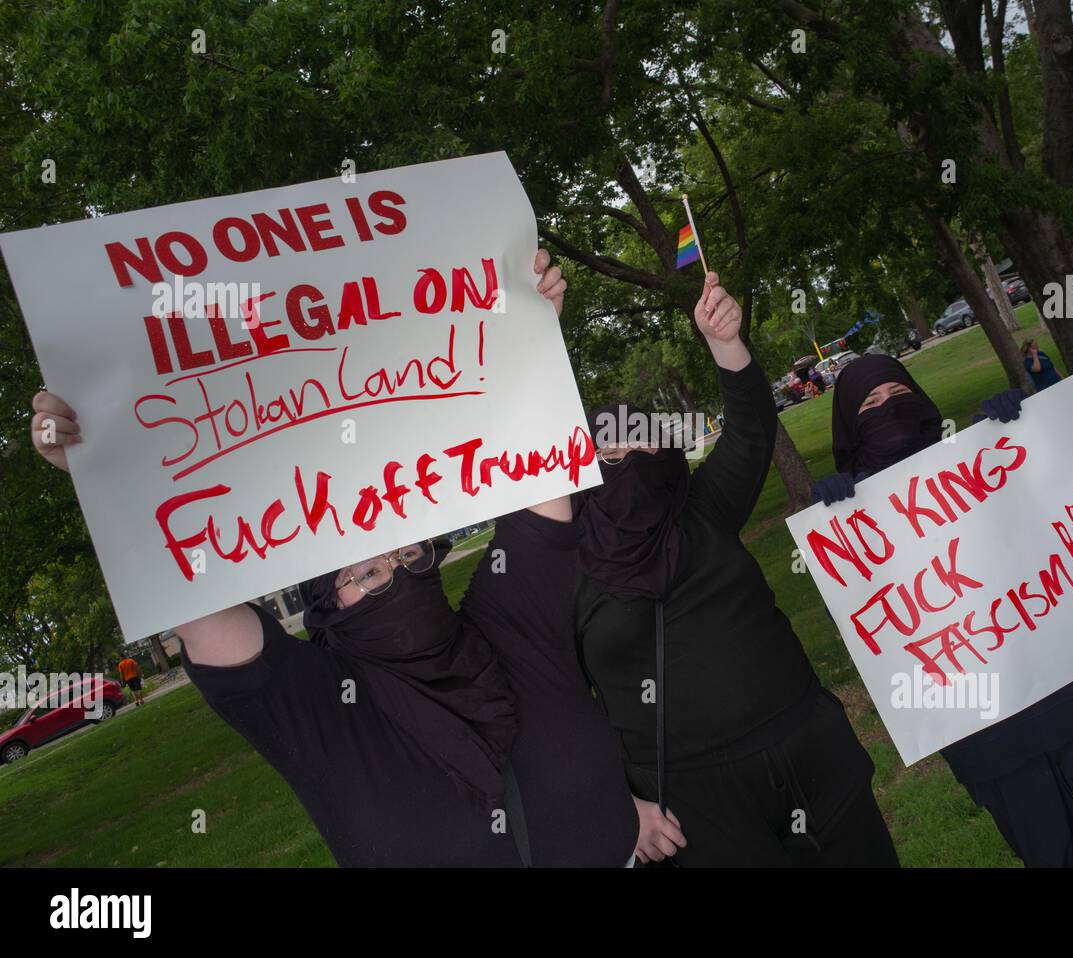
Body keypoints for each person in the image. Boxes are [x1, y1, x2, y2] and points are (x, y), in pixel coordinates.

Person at [28, 251, 661, 868]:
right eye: (364, 571)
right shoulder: (321, 705)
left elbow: (542, 482)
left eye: (403, 552)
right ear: (323, 603)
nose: (387, 562)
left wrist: (527, 334)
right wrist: (101, 471)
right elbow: (197, 602)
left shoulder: (507, 621)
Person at [810, 355, 1073, 868]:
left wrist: (1023, 427)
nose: (888, 410)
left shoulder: (984, 459)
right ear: (848, 426)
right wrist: (835, 524)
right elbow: (877, 629)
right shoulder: (848, 528)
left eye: (898, 395)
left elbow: (1061, 490)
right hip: (987, 735)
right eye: (870, 404)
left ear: (919, 400)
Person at [558, 272, 899, 867]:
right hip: (694, 808)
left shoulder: (703, 510)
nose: (628, 462)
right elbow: (555, 704)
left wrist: (726, 344)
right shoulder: (563, 574)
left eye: (641, 447)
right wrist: (620, 805)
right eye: (609, 454)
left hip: (810, 756)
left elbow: (749, 433)